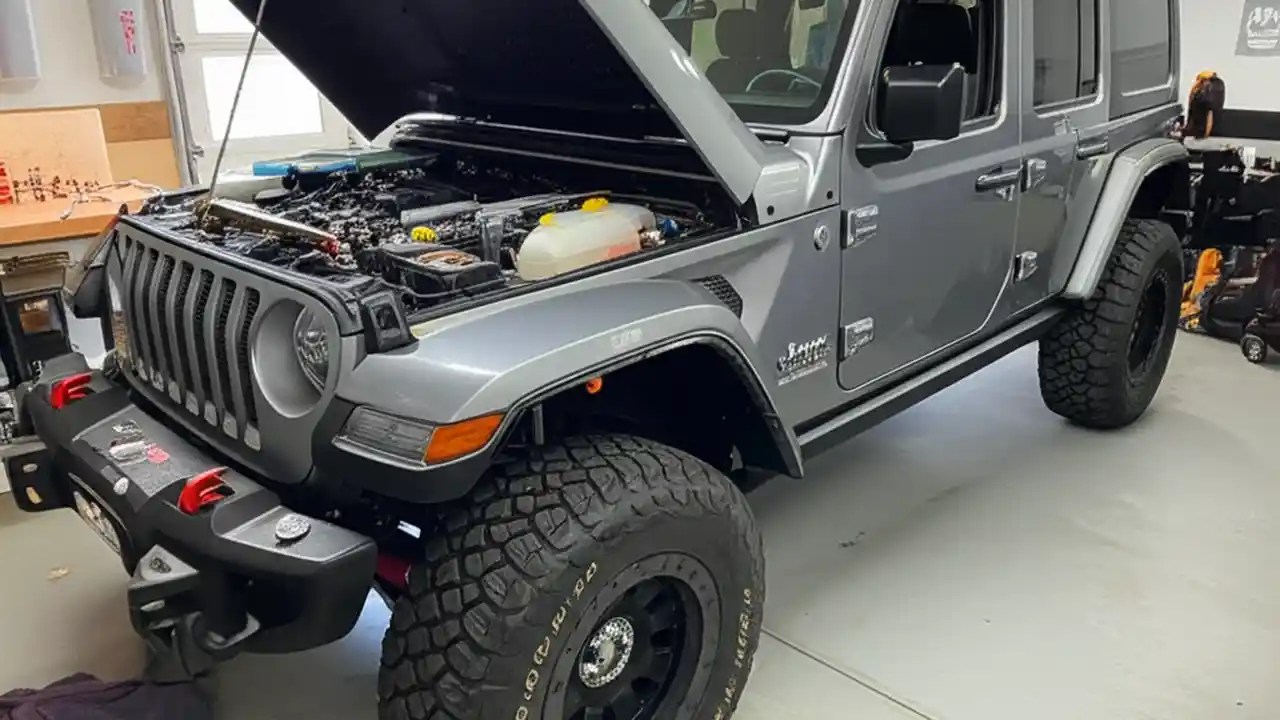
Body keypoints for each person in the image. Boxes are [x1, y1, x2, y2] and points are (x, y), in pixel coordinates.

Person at [1184, 71, 1226, 140]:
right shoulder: (1215, 92)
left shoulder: (1206, 99)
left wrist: (1205, 136)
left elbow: (1209, 117)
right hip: (1202, 133)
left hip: (1201, 135)